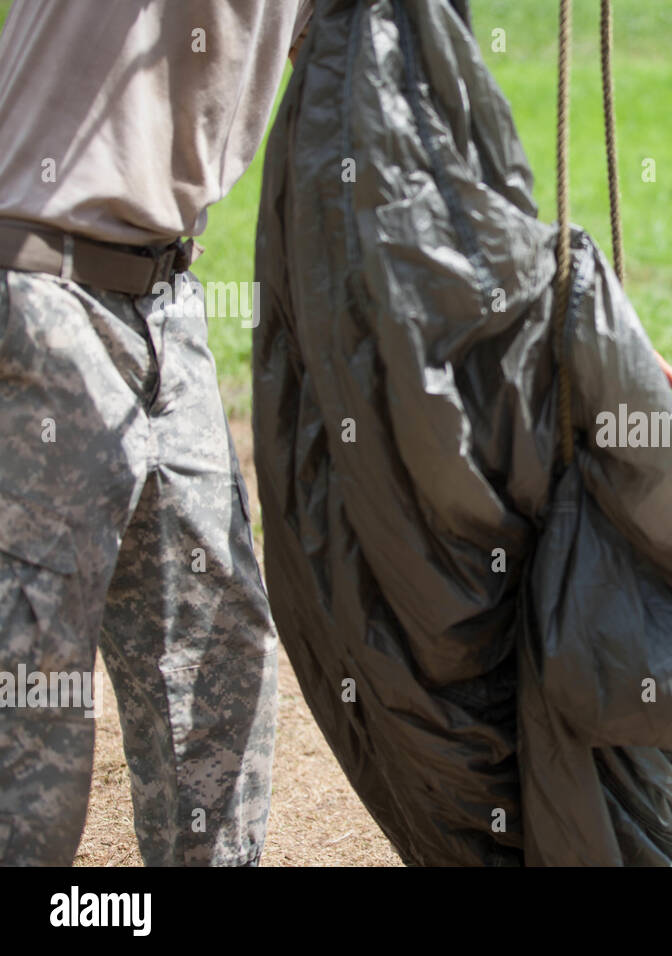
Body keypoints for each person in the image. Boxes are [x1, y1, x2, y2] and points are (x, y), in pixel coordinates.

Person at [0, 0, 313, 865]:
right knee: (29, 684)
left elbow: (390, 97)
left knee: (213, 649)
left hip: (169, 298)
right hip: (34, 286)